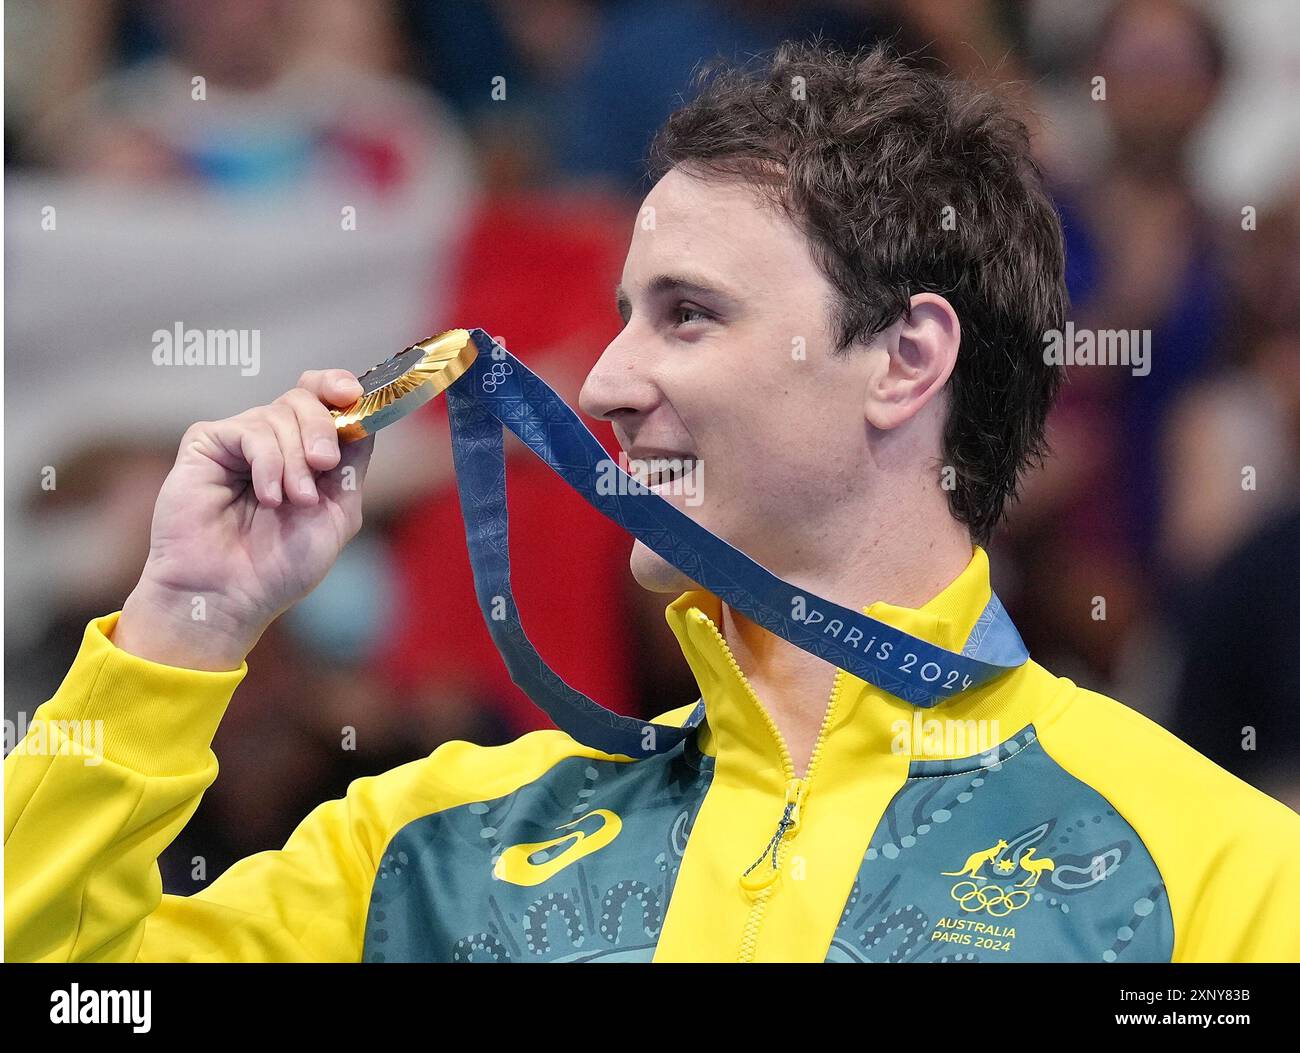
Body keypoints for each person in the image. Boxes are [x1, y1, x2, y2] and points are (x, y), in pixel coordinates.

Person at [7, 42, 1298, 964]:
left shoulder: (1211, 875)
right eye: (625, 318)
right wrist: (179, 628)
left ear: (906, 360)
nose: (610, 383)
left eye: (687, 315)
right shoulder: (435, 854)